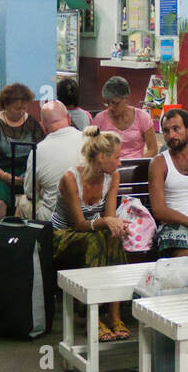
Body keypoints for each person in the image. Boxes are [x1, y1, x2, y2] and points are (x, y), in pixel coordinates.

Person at [50, 126, 129, 341]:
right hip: (62, 235)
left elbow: (109, 219)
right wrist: (105, 221)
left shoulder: (112, 177)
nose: (120, 163)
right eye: (117, 157)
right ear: (102, 157)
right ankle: (90, 315)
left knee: (113, 239)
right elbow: (78, 223)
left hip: (90, 231)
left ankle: (114, 313)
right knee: (96, 241)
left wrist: (118, 226)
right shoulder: (70, 178)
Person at [0, 82, 45, 213]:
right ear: (5, 105)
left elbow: (42, 150)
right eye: (17, 109)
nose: (22, 112)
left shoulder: (31, 123)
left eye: (24, 108)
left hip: (25, 174)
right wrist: (4, 175)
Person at [148, 108, 188, 257]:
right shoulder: (159, 163)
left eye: (176, 129)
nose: (171, 135)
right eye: (166, 131)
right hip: (175, 225)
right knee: (185, 259)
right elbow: (159, 210)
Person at [23, 101, 85, 223]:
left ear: (43, 126)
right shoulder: (91, 140)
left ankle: (22, 240)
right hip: (90, 214)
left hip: (55, 218)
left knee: (23, 202)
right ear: (68, 118)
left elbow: (30, 193)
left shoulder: (38, 150)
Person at [93, 75, 158, 160]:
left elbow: (153, 150)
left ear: (127, 99)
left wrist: (138, 162)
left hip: (136, 167)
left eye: (115, 103)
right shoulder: (100, 119)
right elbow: (92, 149)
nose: (110, 107)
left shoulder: (142, 117)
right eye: (107, 103)